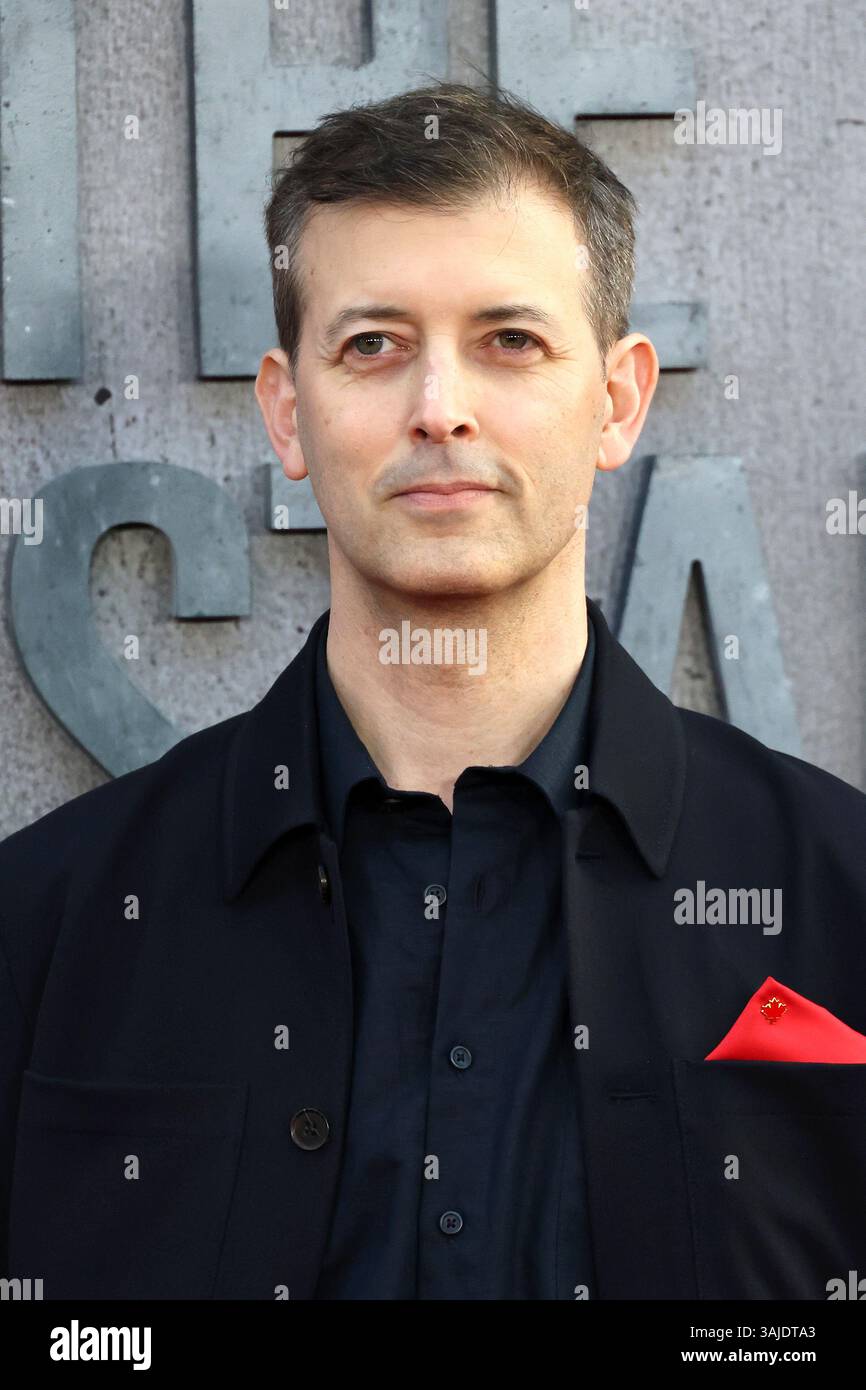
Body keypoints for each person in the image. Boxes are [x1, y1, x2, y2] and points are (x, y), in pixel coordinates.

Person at [2, 82, 866, 1302]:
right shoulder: (46, 920)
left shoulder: (838, 891)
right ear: (288, 410)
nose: (438, 409)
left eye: (509, 341)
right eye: (373, 345)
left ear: (615, 399)